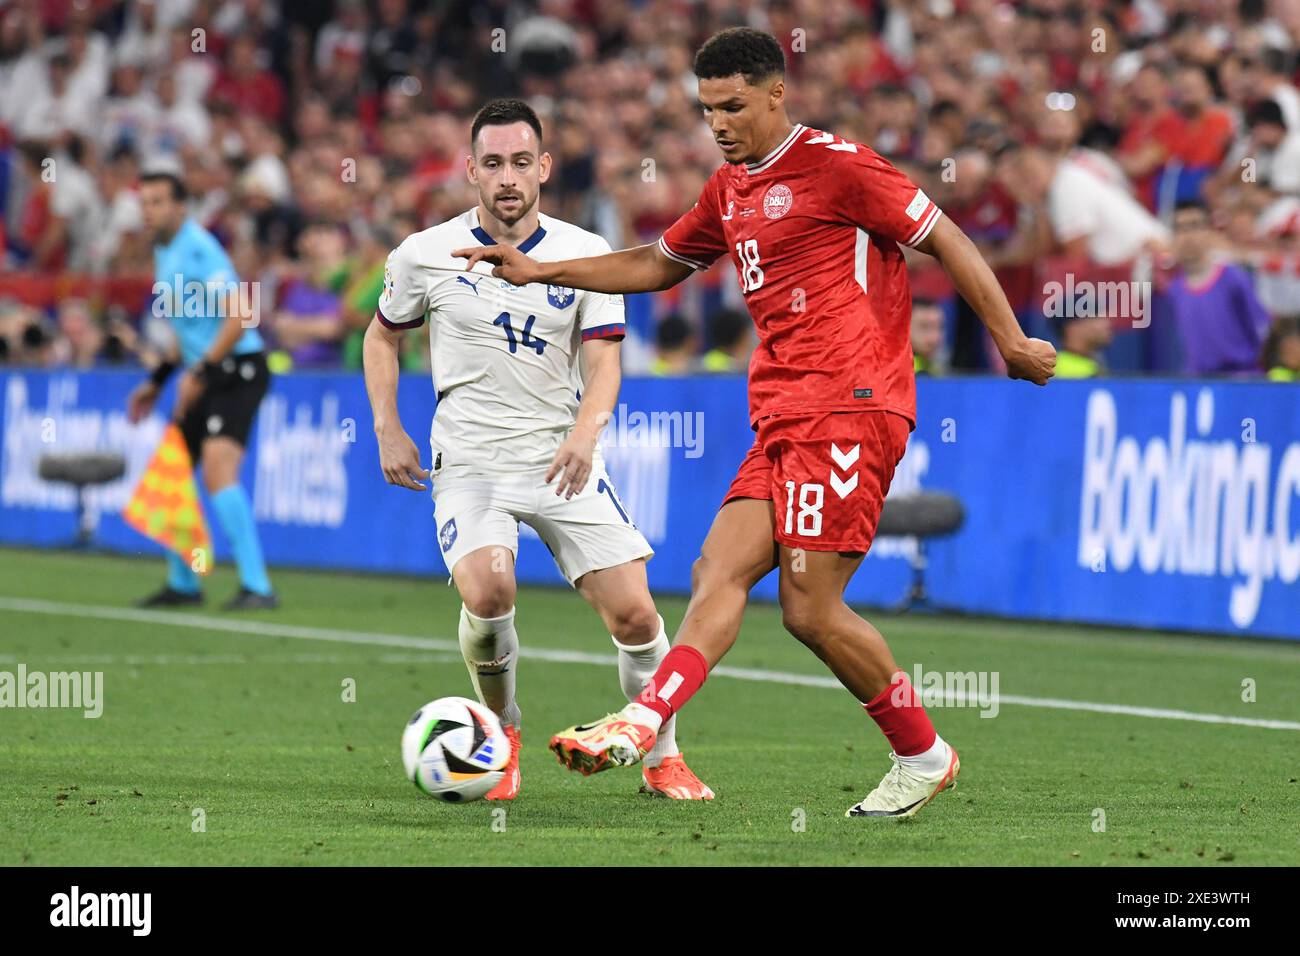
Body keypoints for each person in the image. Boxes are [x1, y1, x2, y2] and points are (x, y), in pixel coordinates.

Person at [457, 30, 1055, 817]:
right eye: (708, 109)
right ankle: (644, 721)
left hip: (852, 405)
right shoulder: (730, 187)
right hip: (782, 414)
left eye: (734, 105)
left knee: (810, 608)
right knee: (718, 572)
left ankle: (922, 753)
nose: (720, 122)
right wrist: (543, 268)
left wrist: (1010, 337)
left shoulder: (840, 167)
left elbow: (943, 235)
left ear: (778, 93)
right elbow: (658, 263)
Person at [362, 99, 712, 801]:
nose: (507, 178)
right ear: (471, 171)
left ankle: (662, 756)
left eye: (521, 162)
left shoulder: (589, 256)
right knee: (488, 590)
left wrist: (587, 433)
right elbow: (382, 335)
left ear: (544, 167)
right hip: (470, 463)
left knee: (637, 616)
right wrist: (386, 427)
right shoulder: (424, 253)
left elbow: (606, 361)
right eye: (492, 164)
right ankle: (501, 734)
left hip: (561, 457)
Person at [125, 171, 278, 610]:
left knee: (217, 470)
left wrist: (201, 374)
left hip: (238, 370)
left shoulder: (198, 248)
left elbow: (239, 316)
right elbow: (187, 328)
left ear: (180, 207)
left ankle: (258, 586)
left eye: (157, 202)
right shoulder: (164, 250)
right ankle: (184, 582)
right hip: (208, 370)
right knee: (173, 468)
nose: (148, 210)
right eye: (145, 201)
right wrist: (156, 382)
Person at [1159, 199, 1273, 375]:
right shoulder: (1174, 289)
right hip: (1199, 384)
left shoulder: (1233, 278)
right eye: (1179, 229)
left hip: (1243, 381)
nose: (1187, 236)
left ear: (1210, 231)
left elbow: (1262, 330)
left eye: (1195, 226)